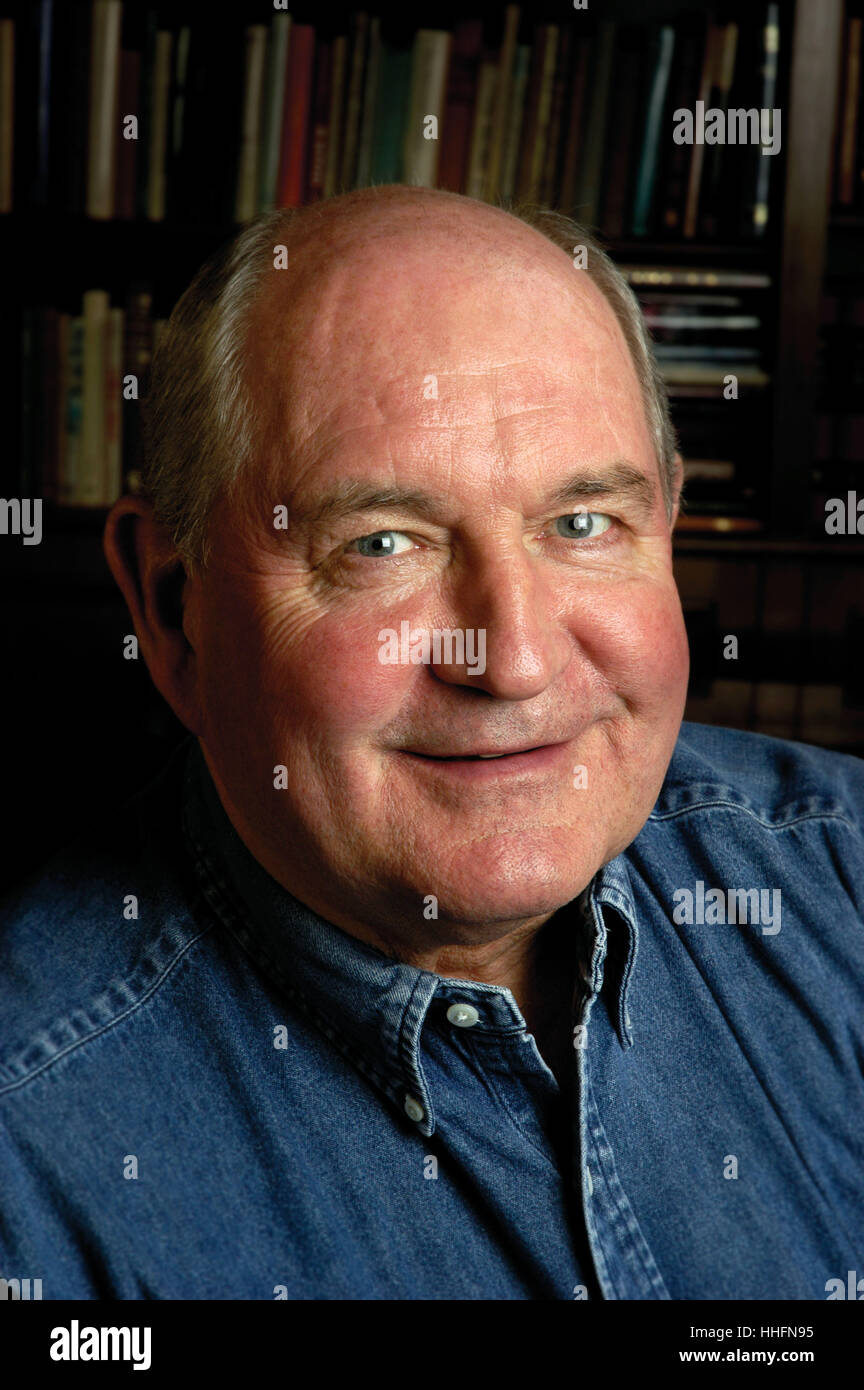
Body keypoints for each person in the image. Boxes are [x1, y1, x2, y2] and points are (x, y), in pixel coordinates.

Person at [1, 186, 862, 1300]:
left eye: (582, 523)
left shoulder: (841, 878)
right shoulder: (29, 1176)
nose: (513, 661)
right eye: (384, 542)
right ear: (175, 612)